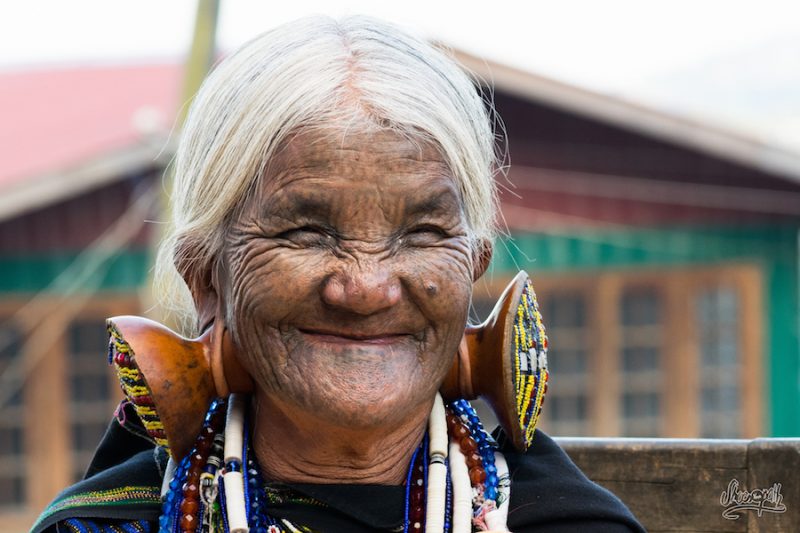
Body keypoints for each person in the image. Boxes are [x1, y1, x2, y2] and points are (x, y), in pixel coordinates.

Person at [33, 16, 645, 533]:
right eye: (307, 233)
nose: (366, 288)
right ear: (205, 277)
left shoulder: (564, 520)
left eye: (422, 233)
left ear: (473, 270)